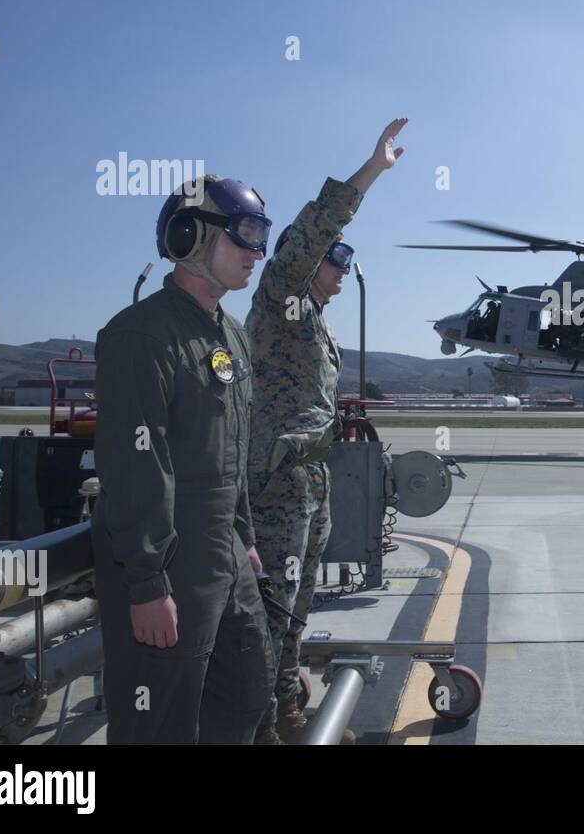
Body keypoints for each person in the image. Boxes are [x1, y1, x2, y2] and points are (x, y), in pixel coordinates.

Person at [91, 175, 277, 744]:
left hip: (225, 552)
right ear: (189, 235)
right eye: (245, 235)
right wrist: (147, 585)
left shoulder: (232, 336)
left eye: (262, 237)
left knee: (247, 690)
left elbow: (233, 446)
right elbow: (135, 467)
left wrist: (244, 534)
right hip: (170, 560)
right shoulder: (141, 336)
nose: (257, 253)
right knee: (160, 718)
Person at [246, 117, 407, 743]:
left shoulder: (314, 321)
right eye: (334, 261)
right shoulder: (282, 300)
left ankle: (282, 712)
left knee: (294, 612)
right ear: (306, 259)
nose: (343, 270)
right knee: (274, 612)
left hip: (310, 481)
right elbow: (320, 225)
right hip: (279, 484)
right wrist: (372, 172)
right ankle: (266, 725)